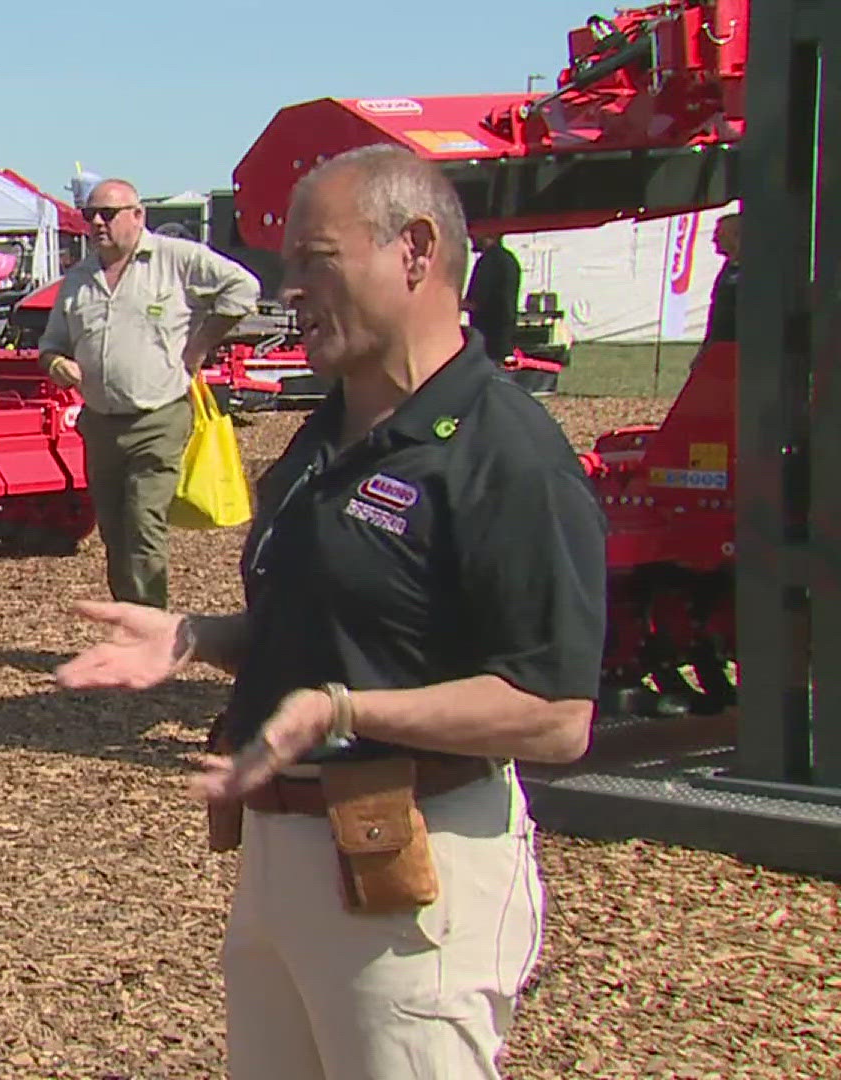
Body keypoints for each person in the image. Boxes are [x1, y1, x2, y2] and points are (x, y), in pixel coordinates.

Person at [56, 144, 606, 1079]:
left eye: (316, 260)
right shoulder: (326, 433)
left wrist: (346, 710)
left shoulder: (505, 455)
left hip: (410, 878)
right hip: (281, 860)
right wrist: (198, 637)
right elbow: (342, 628)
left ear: (415, 250)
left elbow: (554, 715)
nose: (290, 290)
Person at [39, 178, 260, 609]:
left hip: (157, 418)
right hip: (100, 424)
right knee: (114, 530)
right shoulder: (78, 280)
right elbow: (51, 344)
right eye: (90, 215)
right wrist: (56, 364)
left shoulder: (176, 259)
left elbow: (244, 289)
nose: (97, 223)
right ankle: (130, 618)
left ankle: (150, 622)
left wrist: (200, 344)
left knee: (144, 520)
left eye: (108, 214)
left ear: (138, 215)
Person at [465, 233, 521, 362]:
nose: (472, 238)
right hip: (504, 335)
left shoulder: (490, 261)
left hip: (489, 337)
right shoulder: (509, 259)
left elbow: (476, 302)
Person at [699, 211, 740, 356]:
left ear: (736, 236)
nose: (714, 239)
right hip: (719, 348)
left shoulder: (757, 271)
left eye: (720, 234)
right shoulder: (728, 268)